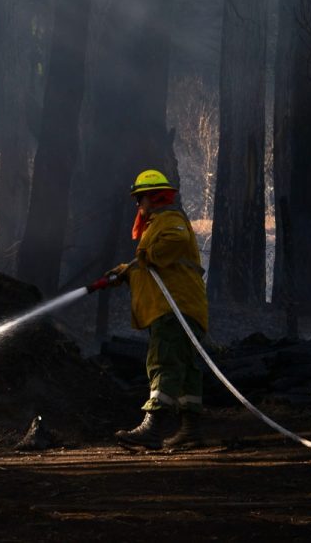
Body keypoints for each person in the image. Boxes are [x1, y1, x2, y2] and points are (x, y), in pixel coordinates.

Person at [103, 169, 209, 450]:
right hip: (184, 306)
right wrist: (126, 272)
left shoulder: (170, 220)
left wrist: (147, 255)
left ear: (152, 197)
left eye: (140, 199)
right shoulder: (158, 224)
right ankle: (191, 430)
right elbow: (153, 267)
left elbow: (172, 244)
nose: (138, 205)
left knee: (163, 362)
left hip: (174, 309)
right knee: (185, 369)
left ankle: (152, 429)